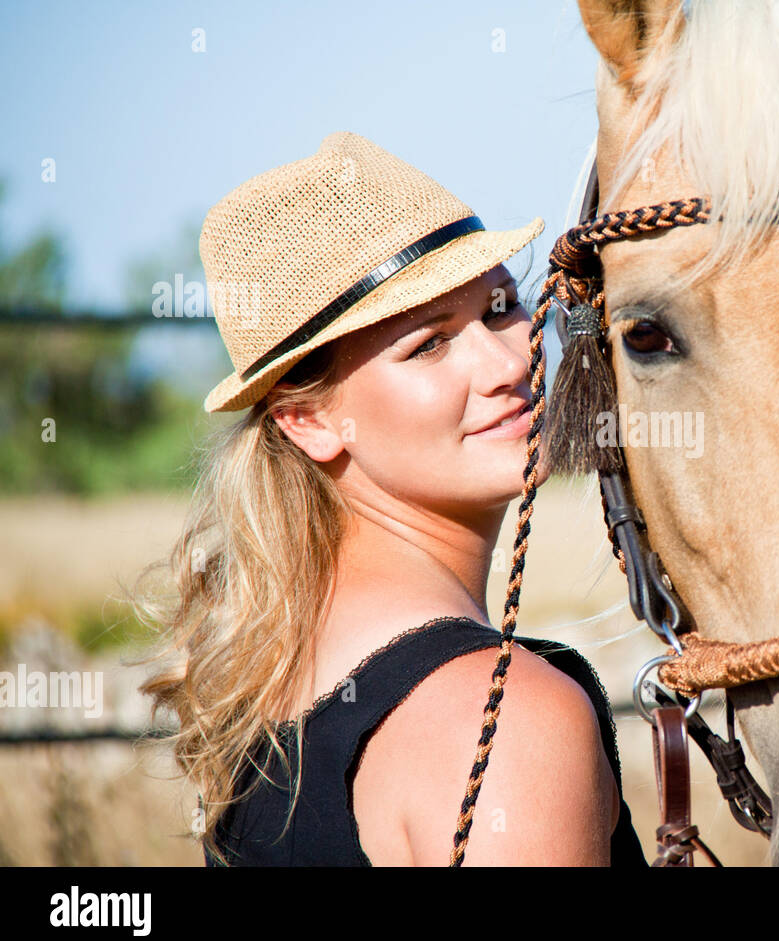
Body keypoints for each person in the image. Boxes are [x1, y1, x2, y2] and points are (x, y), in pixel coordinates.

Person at [131, 131, 647, 866]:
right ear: (306, 420)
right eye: (429, 344)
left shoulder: (276, 693)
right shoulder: (507, 722)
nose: (510, 361)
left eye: (501, 307)